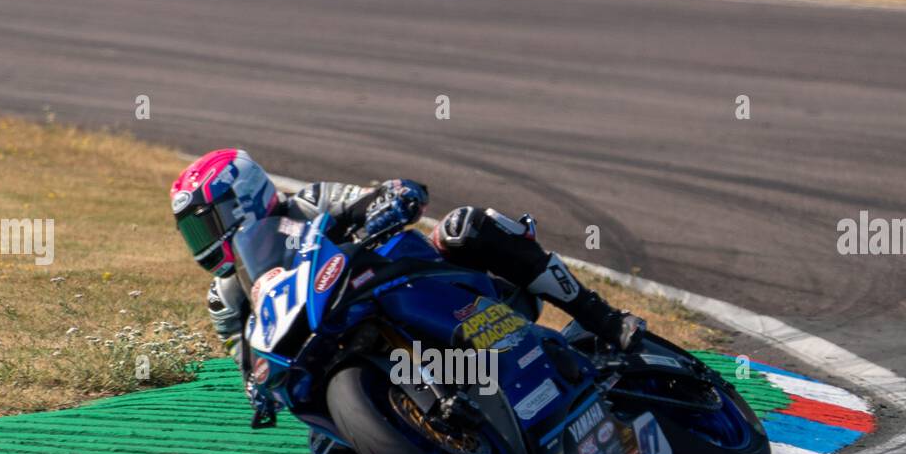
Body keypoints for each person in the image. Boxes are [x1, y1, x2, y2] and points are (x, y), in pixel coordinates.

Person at [169, 148, 646, 360]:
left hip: (414, 284)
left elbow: (377, 194)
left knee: (464, 227)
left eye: (204, 224)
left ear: (244, 197)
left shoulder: (308, 202)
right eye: (192, 231)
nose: (202, 242)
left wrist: (391, 200)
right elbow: (248, 366)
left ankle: (601, 318)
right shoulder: (227, 298)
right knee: (334, 451)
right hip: (346, 346)